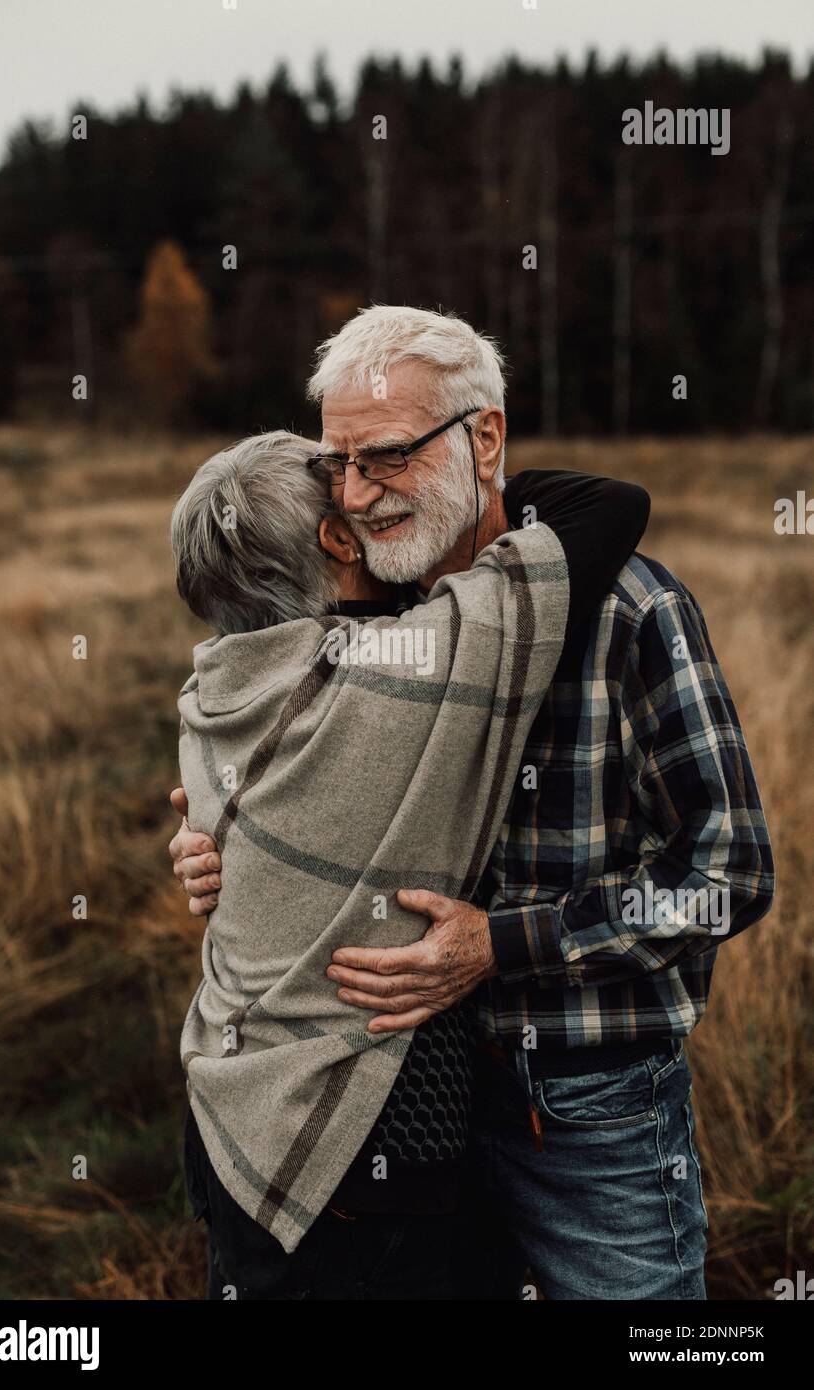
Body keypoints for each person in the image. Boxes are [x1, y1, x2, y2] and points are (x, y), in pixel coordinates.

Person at [173, 306, 774, 1300]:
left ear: (482, 437)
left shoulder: (629, 610)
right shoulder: (371, 611)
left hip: (586, 1112)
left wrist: (504, 943)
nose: (359, 496)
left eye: (387, 457)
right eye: (338, 467)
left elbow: (725, 873)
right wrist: (216, 838)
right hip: (412, 1110)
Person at [171, 420, 647, 1300]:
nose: (366, 490)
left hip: (229, 1121)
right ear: (333, 538)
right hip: (358, 1151)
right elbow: (614, 503)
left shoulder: (212, 690)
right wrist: (434, 479)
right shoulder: (408, 664)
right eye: (345, 484)